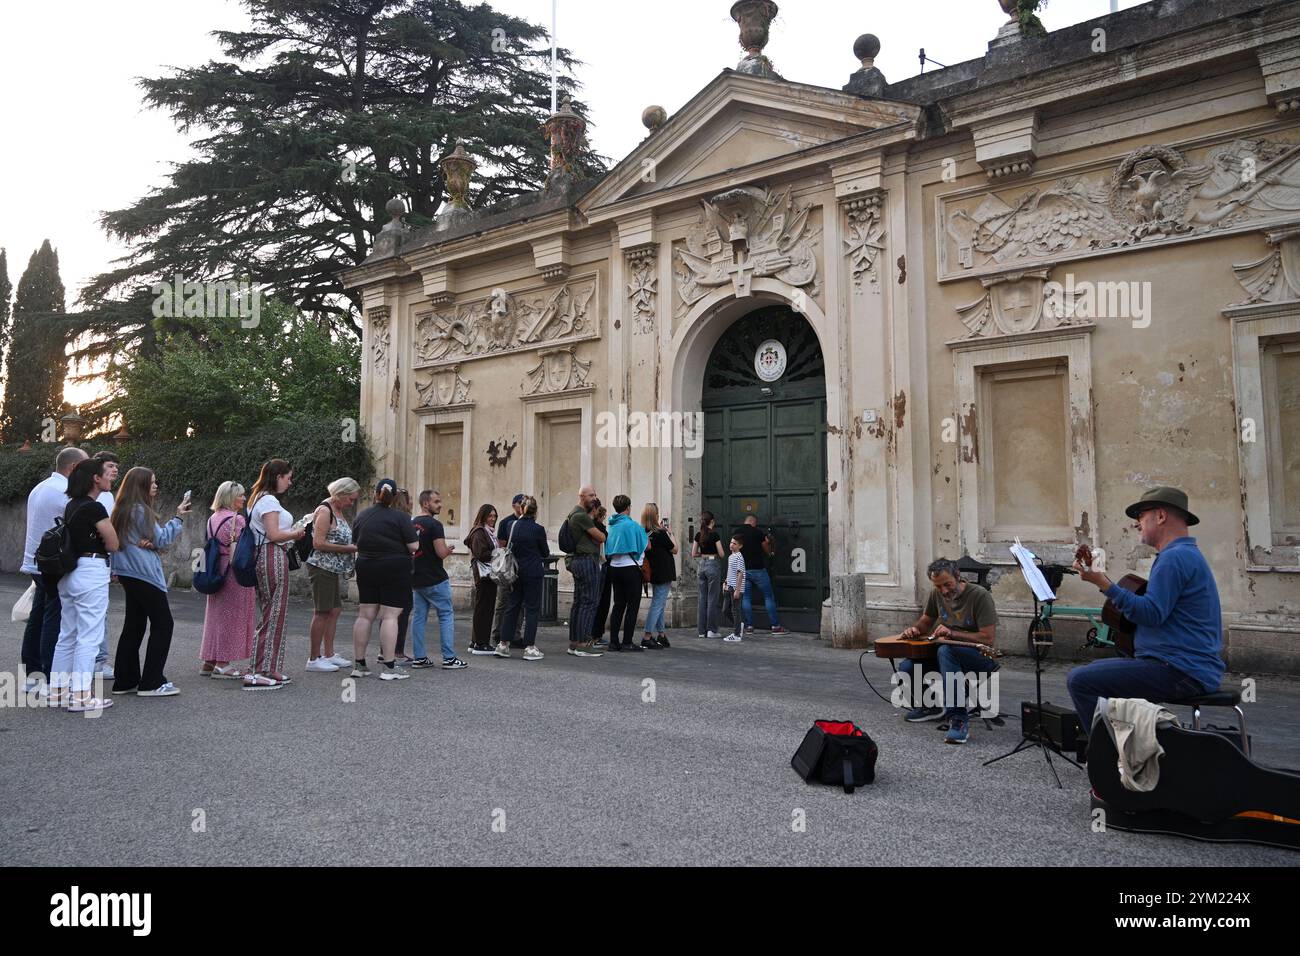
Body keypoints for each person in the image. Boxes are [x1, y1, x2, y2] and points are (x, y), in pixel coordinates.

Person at [1067, 487, 1226, 738]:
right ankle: (1130, 750)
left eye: (1141, 516)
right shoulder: (1183, 555)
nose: (1136, 524)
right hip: (1185, 667)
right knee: (1099, 670)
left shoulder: (1174, 558)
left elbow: (1151, 614)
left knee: (1080, 680)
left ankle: (1109, 763)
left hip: (1180, 671)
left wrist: (1103, 583)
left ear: (1160, 516)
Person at [888, 558, 998, 745]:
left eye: (947, 584)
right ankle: (931, 707)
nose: (944, 591)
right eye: (938, 587)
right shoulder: (936, 594)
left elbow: (988, 638)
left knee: (947, 649)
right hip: (946, 655)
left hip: (981, 657)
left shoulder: (980, 595)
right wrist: (915, 630)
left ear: (958, 576)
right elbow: (926, 621)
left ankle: (958, 718)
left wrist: (953, 633)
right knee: (907, 667)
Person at [109, 467, 191, 698]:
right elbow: (162, 538)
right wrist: (178, 517)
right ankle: (152, 681)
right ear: (141, 486)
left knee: (133, 625)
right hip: (144, 573)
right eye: (152, 482)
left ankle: (125, 680)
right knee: (163, 624)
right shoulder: (140, 510)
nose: (155, 486)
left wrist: (153, 543)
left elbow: (150, 542)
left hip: (127, 572)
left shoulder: (122, 509)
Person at [48, 457, 119, 713]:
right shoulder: (95, 508)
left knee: (67, 634)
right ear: (95, 479)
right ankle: (81, 696)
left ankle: (58, 691)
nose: (112, 476)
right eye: (106, 473)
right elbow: (113, 544)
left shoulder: (71, 505)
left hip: (69, 573)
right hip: (91, 570)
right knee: (90, 636)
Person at [21, 446, 87, 694]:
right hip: (53, 564)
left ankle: (33, 673)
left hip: (36, 562)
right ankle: (50, 676)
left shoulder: (40, 487)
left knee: (38, 618)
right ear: (73, 468)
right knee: (53, 619)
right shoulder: (63, 492)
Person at [245, 458, 306, 690]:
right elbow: (273, 534)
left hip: (265, 555)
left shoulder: (258, 497)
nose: (290, 482)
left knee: (274, 612)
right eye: (288, 478)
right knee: (272, 613)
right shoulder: (269, 499)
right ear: (278, 476)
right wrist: (296, 532)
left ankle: (268, 668)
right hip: (271, 555)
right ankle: (256, 671)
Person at [350, 479, 419, 680]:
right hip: (394, 567)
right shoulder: (401, 517)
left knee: (365, 615)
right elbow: (414, 546)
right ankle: (389, 667)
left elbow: (355, 543)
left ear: (375, 493)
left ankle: (360, 664)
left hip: (365, 566)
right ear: (395, 495)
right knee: (390, 616)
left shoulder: (363, 515)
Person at [199, 481, 255, 679]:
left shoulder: (213, 518)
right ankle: (223, 664)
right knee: (232, 618)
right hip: (233, 573)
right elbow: (245, 548)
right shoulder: (236, 520)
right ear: (231, 497)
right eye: (240, 495)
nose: (243, 498)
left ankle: (209, 660)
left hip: (216, 569)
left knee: (215, 616)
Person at [305, 478, 360, 673]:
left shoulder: (337, 510)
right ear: (342, 494)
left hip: (332, 568)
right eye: (350, 499)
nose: (351, 503)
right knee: (322, 611)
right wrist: (347, 549)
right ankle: (313, 658)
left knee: (334, 610)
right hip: (321, 567)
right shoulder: (325, 511)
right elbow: (317, 543)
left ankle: (328, 654)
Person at [409, 489, 466, 670]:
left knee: (418, 617)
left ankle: (419, 657)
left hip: (416, 578)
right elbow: (440, 553)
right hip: (435, 578)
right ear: (426, 503)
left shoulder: (412, 523)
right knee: (446, 615)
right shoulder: (434, 525)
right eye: (436, 502)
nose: (440, 505)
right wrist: (448, 550)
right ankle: (449, 658)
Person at [496, 495, 549, 661]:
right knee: (532, 609)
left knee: (512, 606)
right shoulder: (538, 529)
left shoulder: (512, 525)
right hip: (532, 572)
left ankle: (503, 644)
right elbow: (545, 552)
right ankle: (529, 647)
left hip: (515, 571)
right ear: (536, 511)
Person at [602, 495, 649, 652]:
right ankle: (627, 641)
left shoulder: (612, 525)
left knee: (618, 605)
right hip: (631, 568)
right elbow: (646, 546)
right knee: (632, 606)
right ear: (628, 507)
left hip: (614, 568)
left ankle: (613, 642)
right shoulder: (633, 526)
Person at [564, 485, 605, 658]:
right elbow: (602, 537)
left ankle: (575, 642)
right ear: (582, 497)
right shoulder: (581, 516)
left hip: (578, 560)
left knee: (579, 602)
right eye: (591, 495)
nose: (594, 498)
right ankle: (582, 644)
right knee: (589, 602)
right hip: (586, 560)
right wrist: (595, 517)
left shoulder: (574, 513)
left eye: (595, 495)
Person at [90, 450, 120, 680]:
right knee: (98, 614)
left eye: (116, 466)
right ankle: (99, 662)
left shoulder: (108, 495)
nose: (115, 470)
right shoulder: (99, 496)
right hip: (94, 561)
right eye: (110, 466)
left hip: (100, 561)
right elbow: (111, 537)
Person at [736, 514, 787, 634]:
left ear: (745, 521)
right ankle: (775, 626)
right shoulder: (757, 532)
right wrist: (770, 553)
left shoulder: (737, 532)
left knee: (746, 598)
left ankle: (749, 626)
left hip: (743, 570)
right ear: (753, 522)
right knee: (768, 596)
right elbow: (765, 544)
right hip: (758, 569)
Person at [492, 493, 527, 650]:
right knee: (502, 602)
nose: (523, 506)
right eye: (521, 503)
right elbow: (501, 544)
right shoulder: (506, 522)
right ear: (514, 505)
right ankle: (497, 633)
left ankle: (516, 635)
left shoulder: (528, 521)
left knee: (520, 604)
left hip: (522, 567)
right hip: (508, 567)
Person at [464, 504, 499, 655]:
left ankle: (477, 641)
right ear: (483, 516)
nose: (492, 519)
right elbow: (480, 553)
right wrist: (498, 553)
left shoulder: (488, 532)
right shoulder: (480, 532)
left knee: (484, 607)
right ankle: (481, 643)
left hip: (488, 575)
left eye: (494, 516)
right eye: (490, 516)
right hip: (484, 575)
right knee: (483, 608)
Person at [641, 503, 677, 649]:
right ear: (655, 515)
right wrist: (671, 533)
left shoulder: (643, 532)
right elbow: (675, 549)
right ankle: (647, 636)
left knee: (659, 604)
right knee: (657, 604)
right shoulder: (661, 533)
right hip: (664, 571)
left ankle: (661, 635)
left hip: (653, 571)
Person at [391, 488, 415, 663]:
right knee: (403, 610)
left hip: (385, 566)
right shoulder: (405, 520)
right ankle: (397, 651)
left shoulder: (385, 517)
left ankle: (384, 650)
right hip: (402, 567)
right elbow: (413, 545)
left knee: (387, 612)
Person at [693, 510, 726, 638]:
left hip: (701, 565)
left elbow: (693, 554)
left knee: (702, 599)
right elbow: (722, 554)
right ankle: (711, 630)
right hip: (713, 565)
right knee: (712, 598)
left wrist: (703, 554)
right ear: (712, 521)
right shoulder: (715, 535)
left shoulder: (698, 535)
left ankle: (701, 631)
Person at [589, 501, 612, 647]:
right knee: (601, 601)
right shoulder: (600, 529)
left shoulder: (592, 526)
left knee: (595, 601)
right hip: (601, 566)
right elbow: (604, 540)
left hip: (597, 565)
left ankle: (593, 634)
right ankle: (595, 635)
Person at [723, 533, 747, 643]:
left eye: (734, 543)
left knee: (736, 610)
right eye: (731, 542)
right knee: (725, 610)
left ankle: (737, 634)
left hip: (736, 588)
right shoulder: (731, 556)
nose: (731, 545)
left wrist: (737, 590)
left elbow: (740, 573)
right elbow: (730, 572)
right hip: (729, 586)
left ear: (740, 546)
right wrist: (726, 582)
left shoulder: (739, 557)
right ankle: (739, 625)